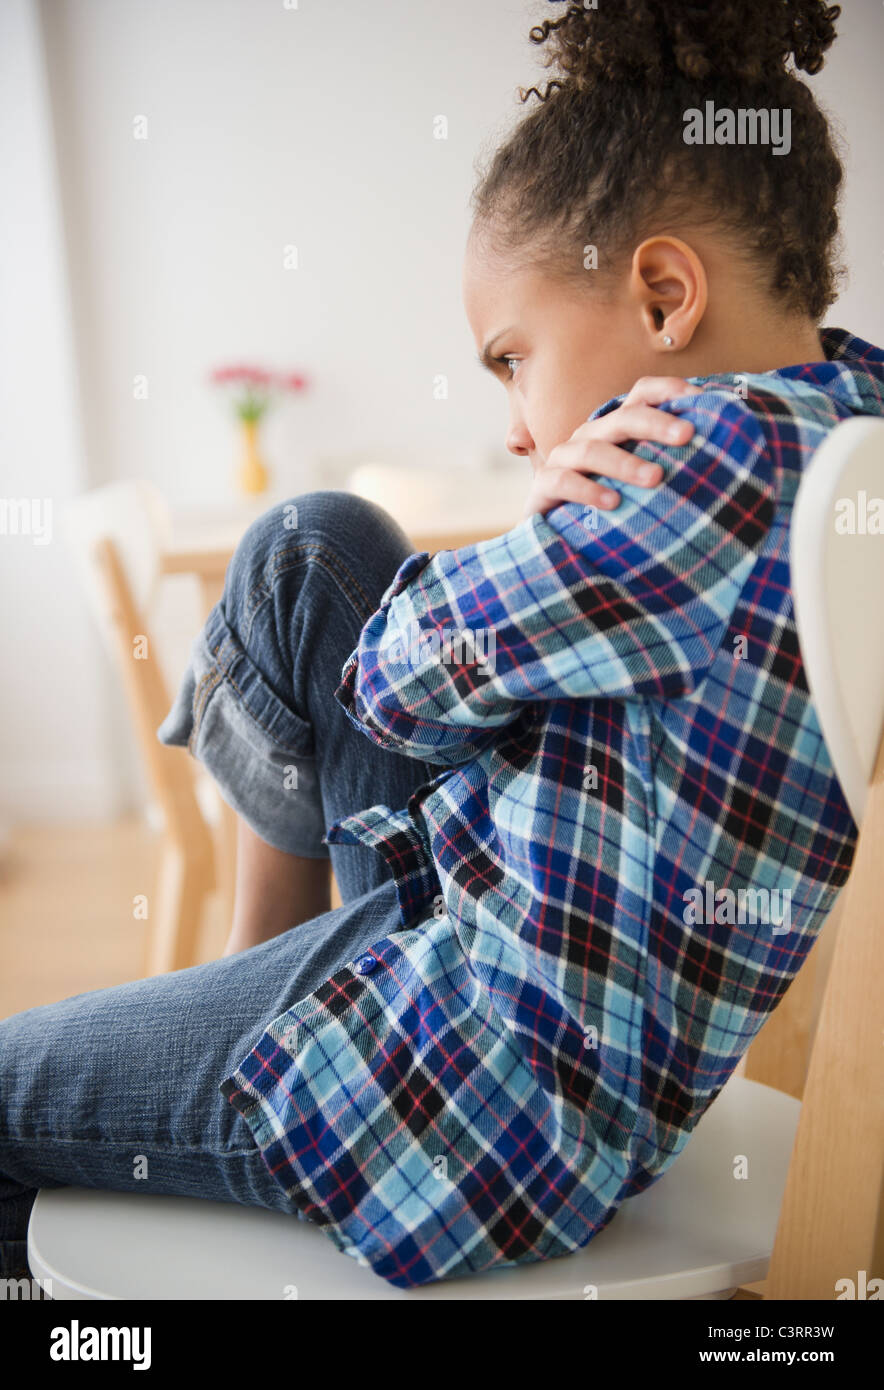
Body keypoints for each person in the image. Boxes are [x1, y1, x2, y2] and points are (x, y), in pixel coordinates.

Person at [2, 0, 881, 1292]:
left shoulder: (693, 467)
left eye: (512, 359)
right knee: (316, 546)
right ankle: (250, 986)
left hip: (458, 1090)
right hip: (538, 1004)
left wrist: (535, 526)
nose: (523, 427)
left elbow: (392, 685)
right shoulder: (843, 420)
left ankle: (249, 1029)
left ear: (662, 290)